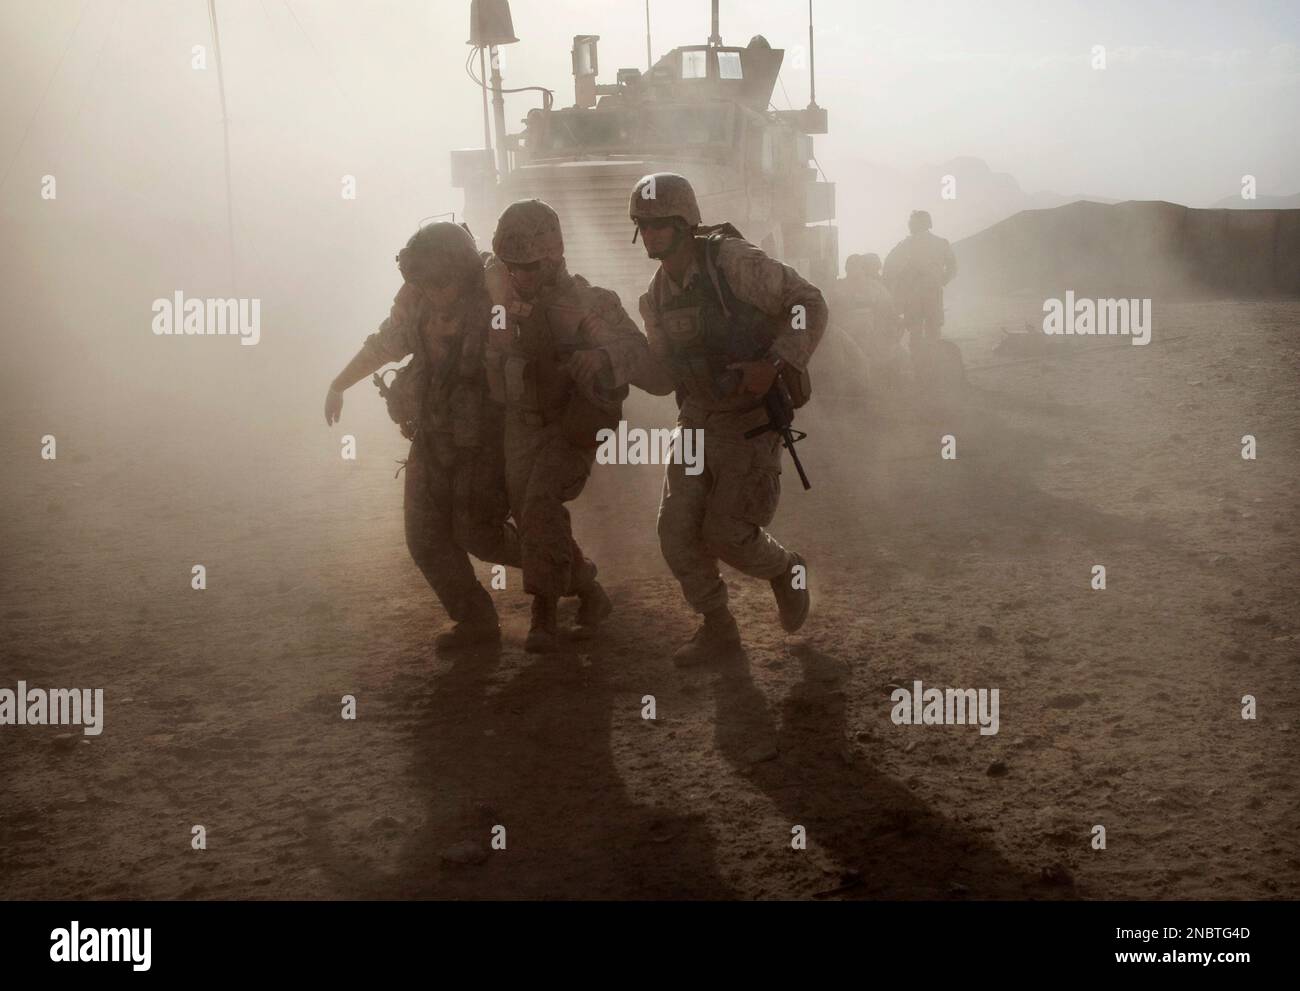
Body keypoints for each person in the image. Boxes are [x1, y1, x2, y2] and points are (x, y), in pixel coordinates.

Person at [627, 172, 828, 667]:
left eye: (660, 224)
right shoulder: (654, 298)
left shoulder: (733, 263)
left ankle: (786, 570)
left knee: (727, 532)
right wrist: (612, 361)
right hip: (697, 417)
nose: (650, 234)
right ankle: (718, 628)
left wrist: (775, 363)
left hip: (751, 418)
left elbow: (809, 303)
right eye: (642, 225)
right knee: (675, 531)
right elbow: (660, 373)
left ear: (685, 223)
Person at [324, 222, 518, 650]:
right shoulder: (418, 305)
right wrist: (339, 383)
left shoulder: (496, 304)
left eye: (439, 281)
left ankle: (571, 573)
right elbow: (382, 346)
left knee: (480, 534)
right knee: (425, 538)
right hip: (434, 436)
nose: (432, 291)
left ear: (462, 273)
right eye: (424, 282)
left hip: (487, 443)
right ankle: (475, 619)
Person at [484, 199, 648, 653]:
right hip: (521, 422)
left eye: (531, 267)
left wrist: (599, 358)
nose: (521, 276)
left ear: (554, 257)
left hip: (571, 424)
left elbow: (639, 352)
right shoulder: (501, 294)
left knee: (538, 504)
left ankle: (545, 611)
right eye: (511, 266)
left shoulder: (589, 303)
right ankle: (591, 594)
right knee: (531, 516)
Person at [883, 210, 956, 352]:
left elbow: (889, 266)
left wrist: (893, 285)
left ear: (918, 224)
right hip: (929, 292)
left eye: (911, 222)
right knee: (932, 331)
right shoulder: (940, 243)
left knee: (916, 333)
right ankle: (932, 362)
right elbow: (952, 266)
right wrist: (942, 280)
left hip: (914, 295)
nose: (909, 225)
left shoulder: (905, 244)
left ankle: (920, 363)